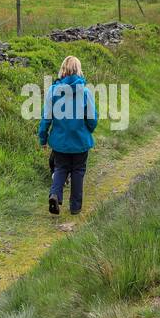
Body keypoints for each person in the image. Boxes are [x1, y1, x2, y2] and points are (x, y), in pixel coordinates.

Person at [38, 55, 97, 215]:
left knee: (61, 168)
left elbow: (46, 118)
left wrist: (43, 137)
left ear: (62, 70)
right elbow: (92, 118)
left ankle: (55, 194)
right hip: (80, 141)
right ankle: (75, 207)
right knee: (78, 170)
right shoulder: (85, 92)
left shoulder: (52, 91)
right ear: (79, 70)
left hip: (60, 142)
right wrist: (89, 130)